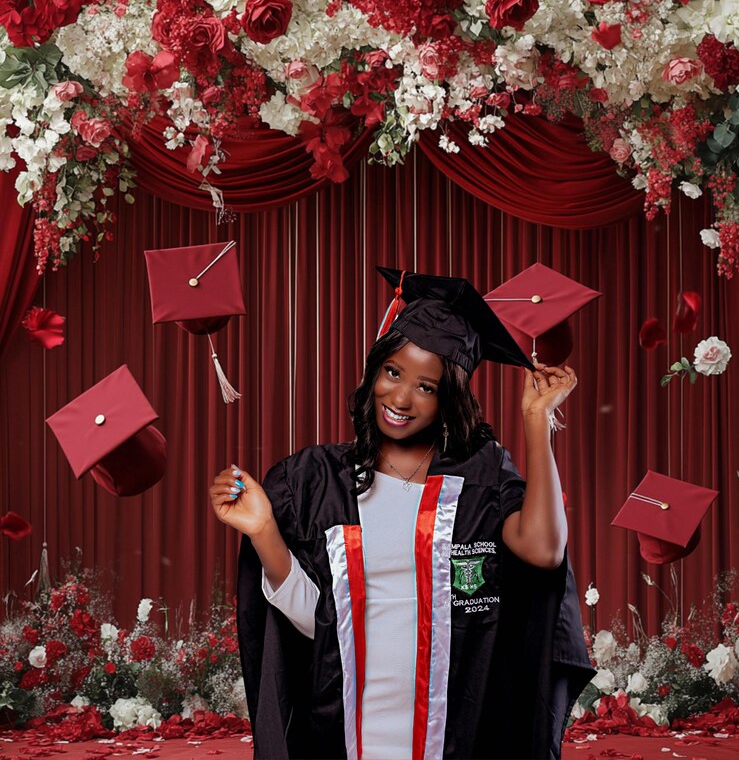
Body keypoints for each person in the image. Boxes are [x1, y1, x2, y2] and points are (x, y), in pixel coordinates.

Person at [209, 271, 594, 760]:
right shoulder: (317, 481)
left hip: (453, 732)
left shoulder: (478, 479)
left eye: (426, 386)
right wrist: (264, 529)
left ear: (449, 398)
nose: (401, 398)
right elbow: (317, 622)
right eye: (393, 373)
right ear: (375, 370)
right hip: (348, 727)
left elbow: (543, 551)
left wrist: (536, 421)